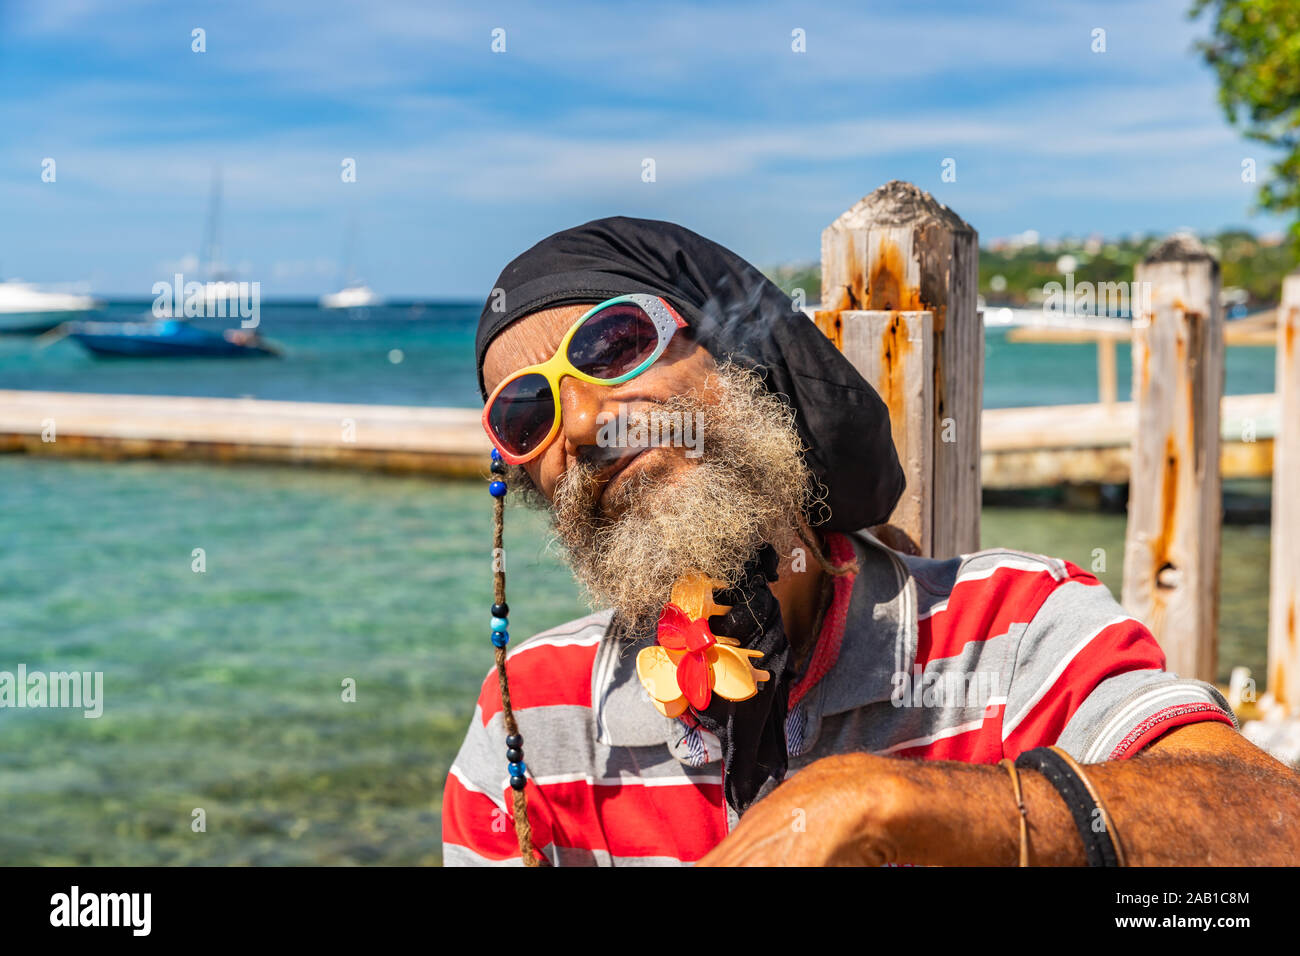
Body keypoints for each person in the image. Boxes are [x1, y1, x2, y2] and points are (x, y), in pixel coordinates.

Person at [442, 216, 1300, 866]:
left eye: (615, 345)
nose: (586, 421)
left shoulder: (1014, 629)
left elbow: (1271, 823)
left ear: (744, 359)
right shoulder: (530, 719)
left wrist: (895, 799)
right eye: (529, 412)